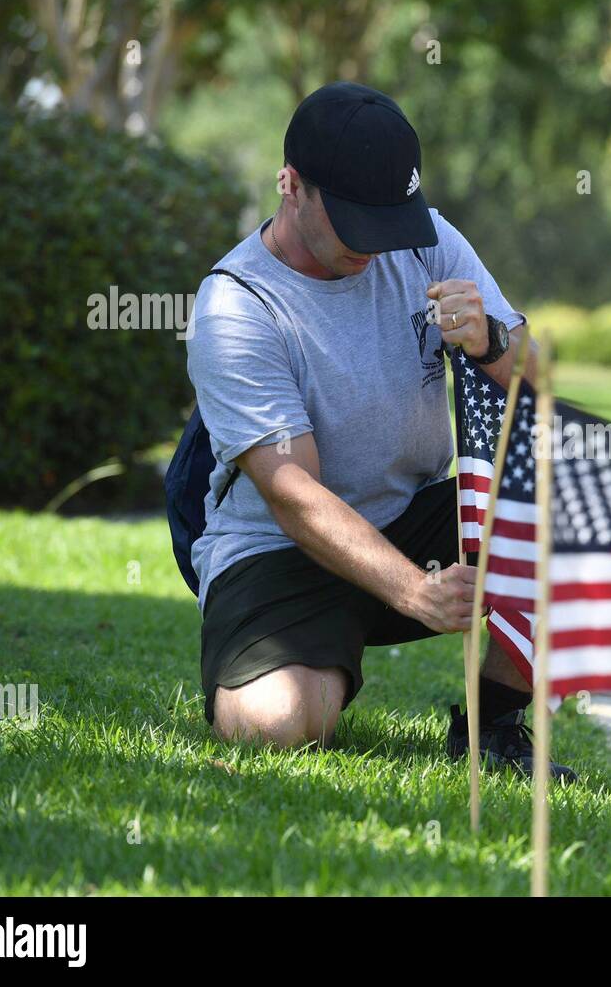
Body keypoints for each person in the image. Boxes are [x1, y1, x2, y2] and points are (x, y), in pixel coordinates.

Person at [185, 81, 574, 781]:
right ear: (291, 186)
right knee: (275, 725)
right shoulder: (236, 306)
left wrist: (488, 339)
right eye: (355, 219)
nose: (376, 242)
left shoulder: (423, 239)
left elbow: (537, 377)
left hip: (412, 514)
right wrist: (412, 591)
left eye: (389, 218)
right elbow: (294, 494)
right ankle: (302, 660)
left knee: (572, 503)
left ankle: (491, 724)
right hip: (282, 549)